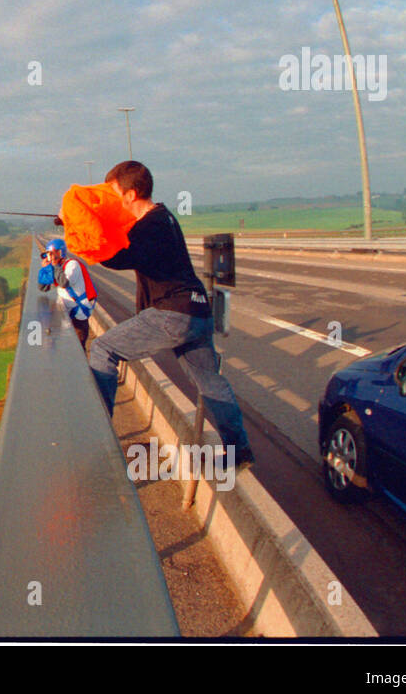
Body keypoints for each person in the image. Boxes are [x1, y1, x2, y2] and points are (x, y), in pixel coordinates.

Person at [88, 160, 254, 466]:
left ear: (132, 194)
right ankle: (239, 451)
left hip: (173, 313)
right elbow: (120, 236)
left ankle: (100, 443)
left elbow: (116, 256)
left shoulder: (148, 227)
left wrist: (83, 232)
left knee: (102, 349)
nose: (111, 201)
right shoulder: (164, 218)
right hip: (197, 311)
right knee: (210, 382)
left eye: (114, 193)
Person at [38, 238, 95, 350]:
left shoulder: (72, 265)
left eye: (51, 254)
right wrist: (45, 270)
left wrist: (54, 266)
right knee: (63, 345)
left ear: (60, 252)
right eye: (48, 255)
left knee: (78, 348)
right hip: (65, 312)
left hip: (78, 314)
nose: (49, 257)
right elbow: (43, 287)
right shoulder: (58, 268)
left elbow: (64, 282)